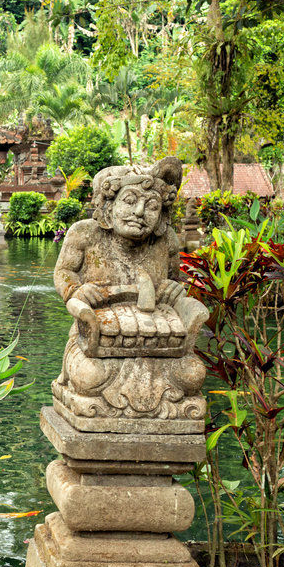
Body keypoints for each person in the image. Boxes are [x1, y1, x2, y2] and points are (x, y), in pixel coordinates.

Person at [52, 157, 205, 418]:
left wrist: (171, 291)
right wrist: (75, 291)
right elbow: (63, 272)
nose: (139, 213)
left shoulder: (165, 240)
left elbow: (172, 281)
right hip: (97, 343)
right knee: (89, 376)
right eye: (130, 201)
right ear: (109, 207)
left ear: (161, 216)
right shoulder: (85, 234)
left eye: (152, 206)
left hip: (157, 344)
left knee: (193, 375)